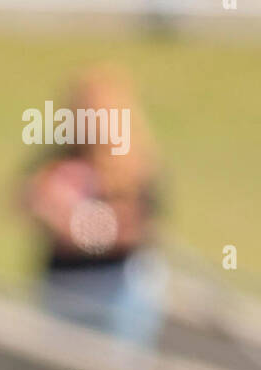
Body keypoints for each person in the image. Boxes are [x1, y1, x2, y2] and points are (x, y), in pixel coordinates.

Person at [18, 68, 166, 348]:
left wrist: (77, 225)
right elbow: (22, 201)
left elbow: (140, 228)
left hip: (115, 288)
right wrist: (45, 203)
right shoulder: (61, 159)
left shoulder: (134, 166)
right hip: (64, 285)